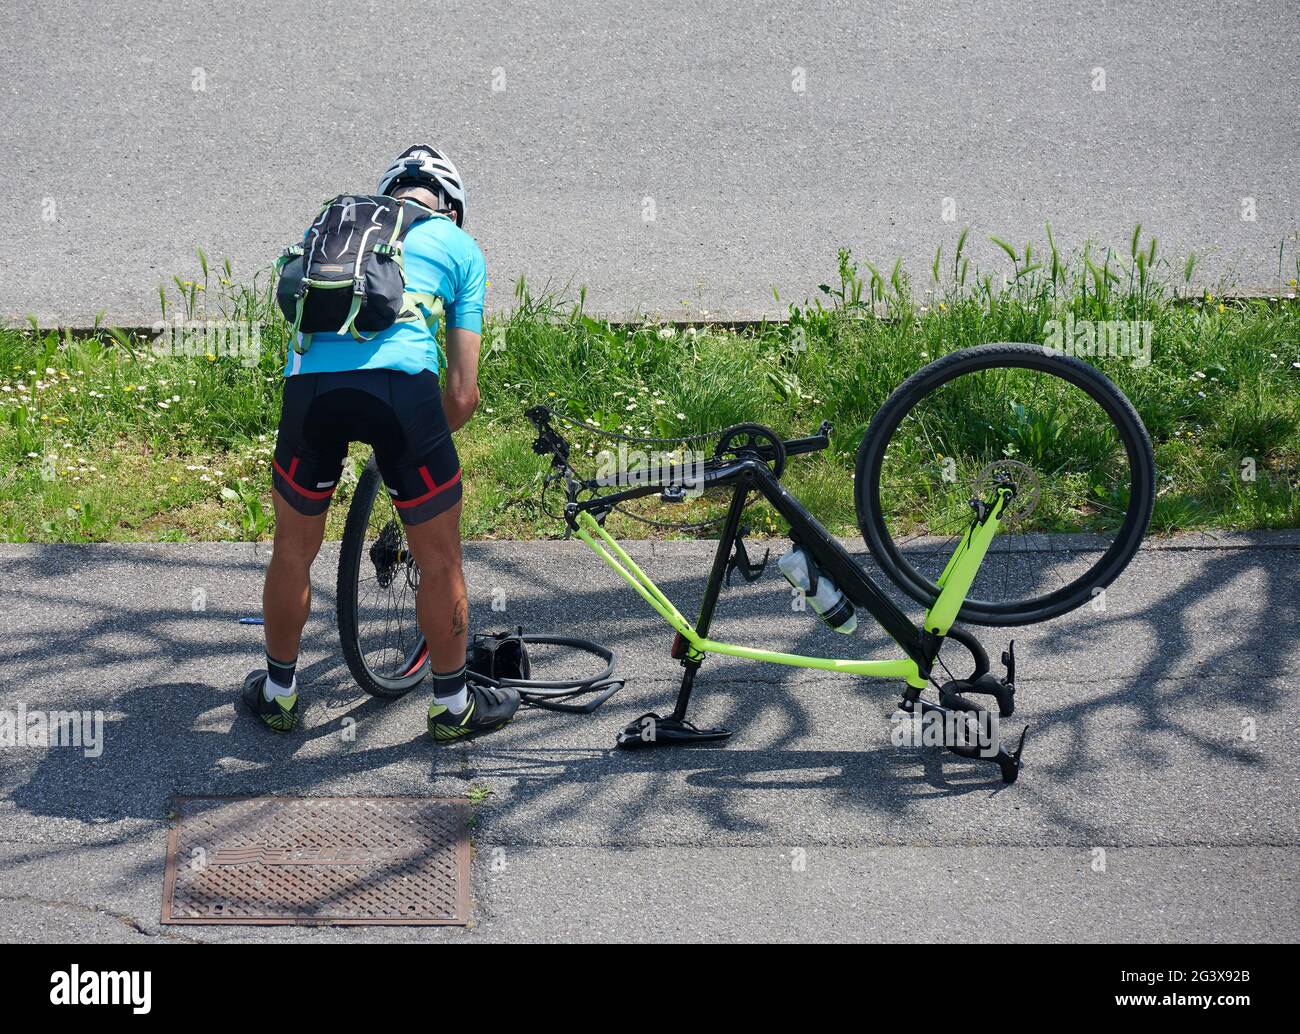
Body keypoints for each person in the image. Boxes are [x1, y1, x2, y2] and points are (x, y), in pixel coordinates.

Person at [242, 145, 520, 742]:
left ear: (387, 195)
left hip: (311, 391)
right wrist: (416, 454)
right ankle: (452, 707)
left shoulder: (337, 228)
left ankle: (278, 695)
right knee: (440, 559)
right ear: (450, 207)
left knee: (291, 551)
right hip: (402, 394)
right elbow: (464, 398)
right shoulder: (459, 247)